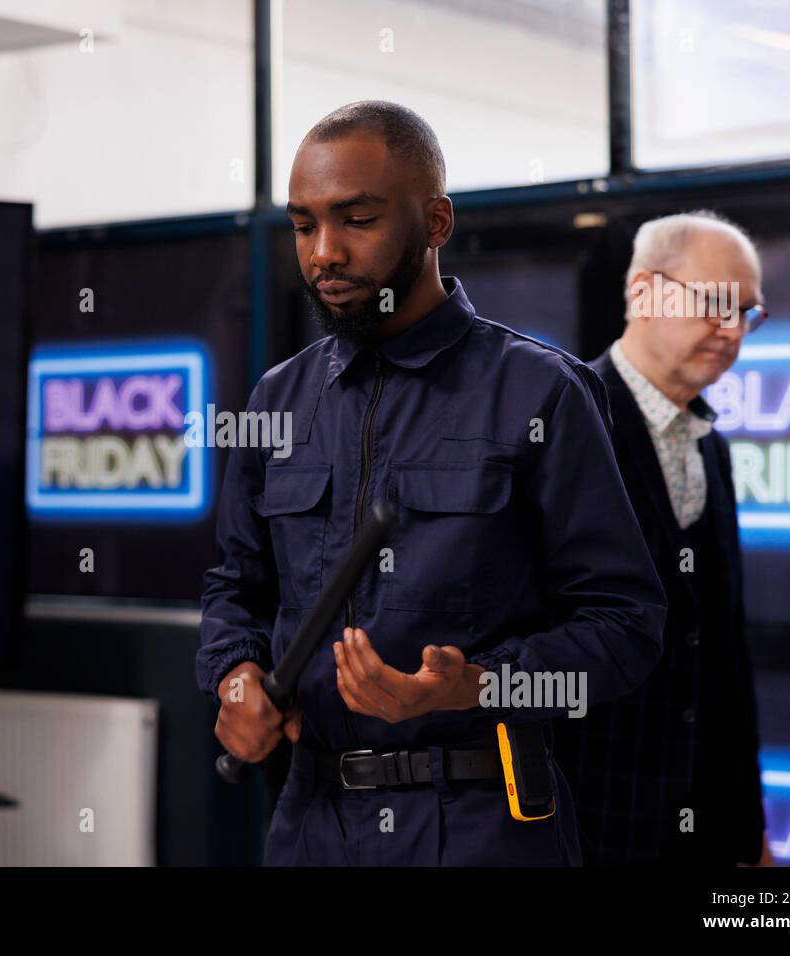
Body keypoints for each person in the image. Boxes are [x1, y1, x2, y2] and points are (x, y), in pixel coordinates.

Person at [196, 100, 666, 865]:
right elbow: (234, 587)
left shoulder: (541, 392)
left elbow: (627, 629)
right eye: (305, 225)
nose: (323, 253)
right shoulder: (276, 400)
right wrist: (234, 678)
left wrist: (475, 687)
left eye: (357, 220)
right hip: (308, 823)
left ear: (437, 222)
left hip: (484, 826)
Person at [552, 211, 772, 865]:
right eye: (715, 303)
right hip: (586, 827)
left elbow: (725, 655)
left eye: (748, 313)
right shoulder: (563, 422)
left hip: (702, 833)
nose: (732, 329)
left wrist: (746, 827)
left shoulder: (714, 451)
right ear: (643, 292)